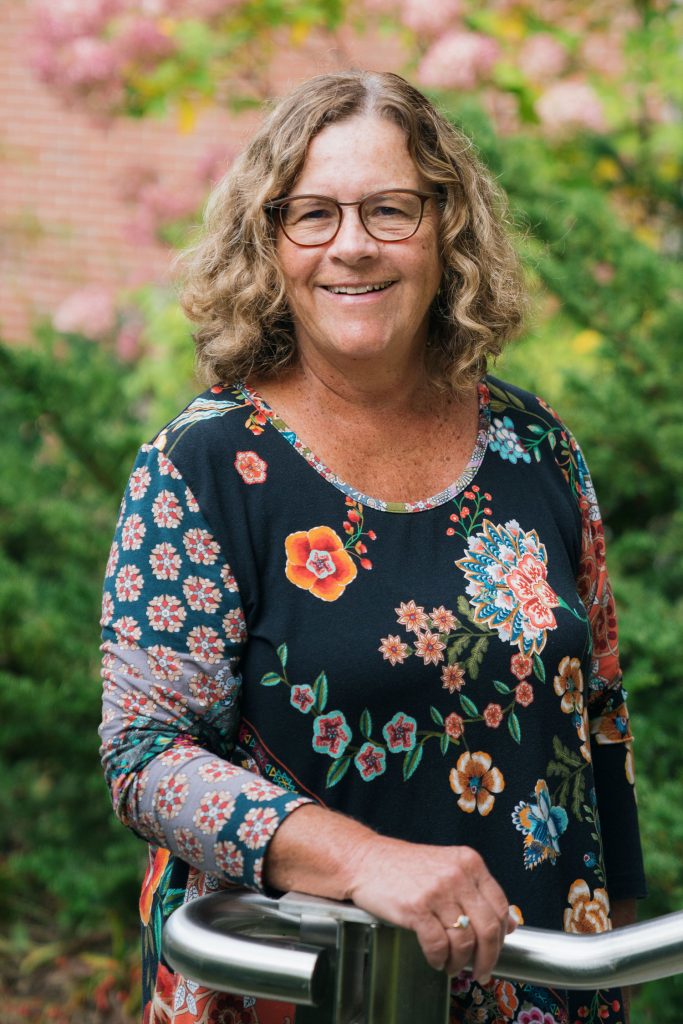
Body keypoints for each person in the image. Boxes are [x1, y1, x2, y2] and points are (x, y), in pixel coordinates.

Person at [99, 70, 645, 1024]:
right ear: (269, 242)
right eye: (312, 214)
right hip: (297, 994)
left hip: (542, 982)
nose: (351, 245)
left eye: (389, 209)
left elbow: (599, 719)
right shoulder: (205, 465)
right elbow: (146, 757)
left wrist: (612, 963)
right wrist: (360, 860)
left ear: (447, 228)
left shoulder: (535, 447)